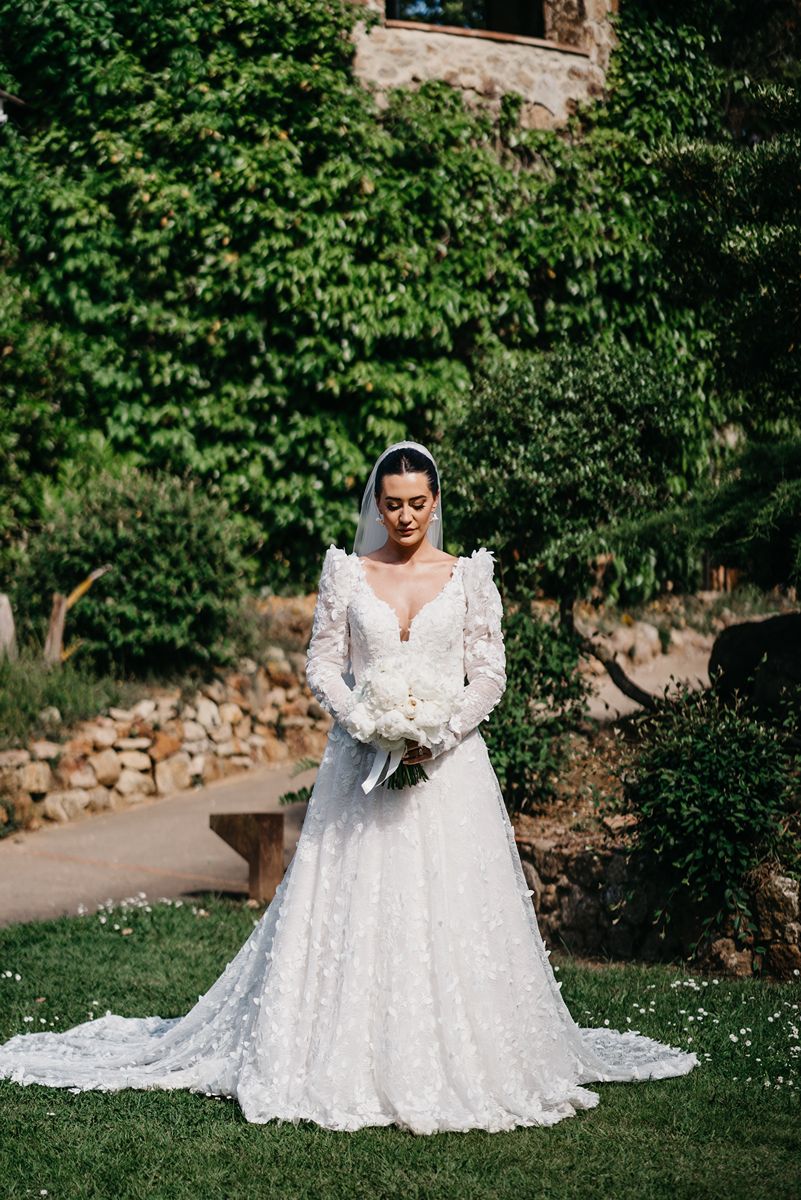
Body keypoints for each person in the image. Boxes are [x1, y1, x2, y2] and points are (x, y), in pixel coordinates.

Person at [0, 439, 699, 1133]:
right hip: (358, 765)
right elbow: (322, 664)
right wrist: (365, 719)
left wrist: (440, 733)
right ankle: (340, 1052)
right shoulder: (346, 573)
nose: (403, 517)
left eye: (416, 504)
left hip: (448, 771)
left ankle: (462, 1053)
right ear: (376, 503)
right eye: (392, 504)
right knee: (355, 901)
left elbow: (487, 672)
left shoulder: (468, 577)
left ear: (434, 501)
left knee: (450, 908)